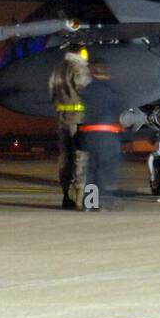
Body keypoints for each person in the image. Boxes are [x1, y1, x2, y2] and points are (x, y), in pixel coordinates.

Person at [78, 61, 127, 210]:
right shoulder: (110, 91)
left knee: (91, 170)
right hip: (106, 135)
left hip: (88, 135)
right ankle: (104, 201)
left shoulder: (85, 91)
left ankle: (89, 203)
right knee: (106, 169)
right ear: (107, 74)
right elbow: (122, 106)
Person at [48, 51, 90, 209]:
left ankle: (66, 196)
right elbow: (85, 91)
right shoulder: (78, 68)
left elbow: (51, 94)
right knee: (80, 155)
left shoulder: (57, 70)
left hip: (62, 117)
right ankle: (79, 196)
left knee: (65, 157)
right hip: (78, 117)